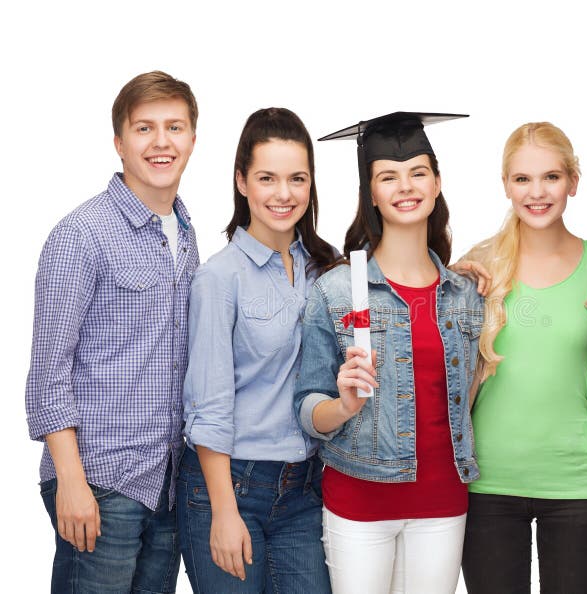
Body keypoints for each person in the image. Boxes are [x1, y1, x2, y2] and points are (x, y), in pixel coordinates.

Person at [294, 112, 483, 594]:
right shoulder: (335, 293)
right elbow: (306, 410)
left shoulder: (464, 292)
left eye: (418, 172)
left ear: (437, 183)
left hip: (443, 502)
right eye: (388, 176)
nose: (406, 186)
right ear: (371, 192)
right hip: (359, 502)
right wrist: (344, 404)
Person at [25, 70, 199, 593]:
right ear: (119, 142)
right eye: (145, 128)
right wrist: (72, 483)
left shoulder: (186, 234)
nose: (161, 141)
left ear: (193, 138)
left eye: (175, 126)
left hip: (165, 484)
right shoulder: (80, 236)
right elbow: (47, 374)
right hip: (99, 483)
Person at [176, 107, 336, 593]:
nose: (283, 194)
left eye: (297, 179)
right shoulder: (219, 278)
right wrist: (223, 512)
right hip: (230, 487)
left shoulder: (324, 272)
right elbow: (208, 404)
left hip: (305, 489)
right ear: (242, 182)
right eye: (267, 178)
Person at [457, 122, 587, 594]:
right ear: (506, 184)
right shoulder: (478, 267)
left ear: (573, 181)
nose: (537, 192)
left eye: (551, 177)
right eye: (522, 179)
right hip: (487, 487)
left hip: (578, 487)